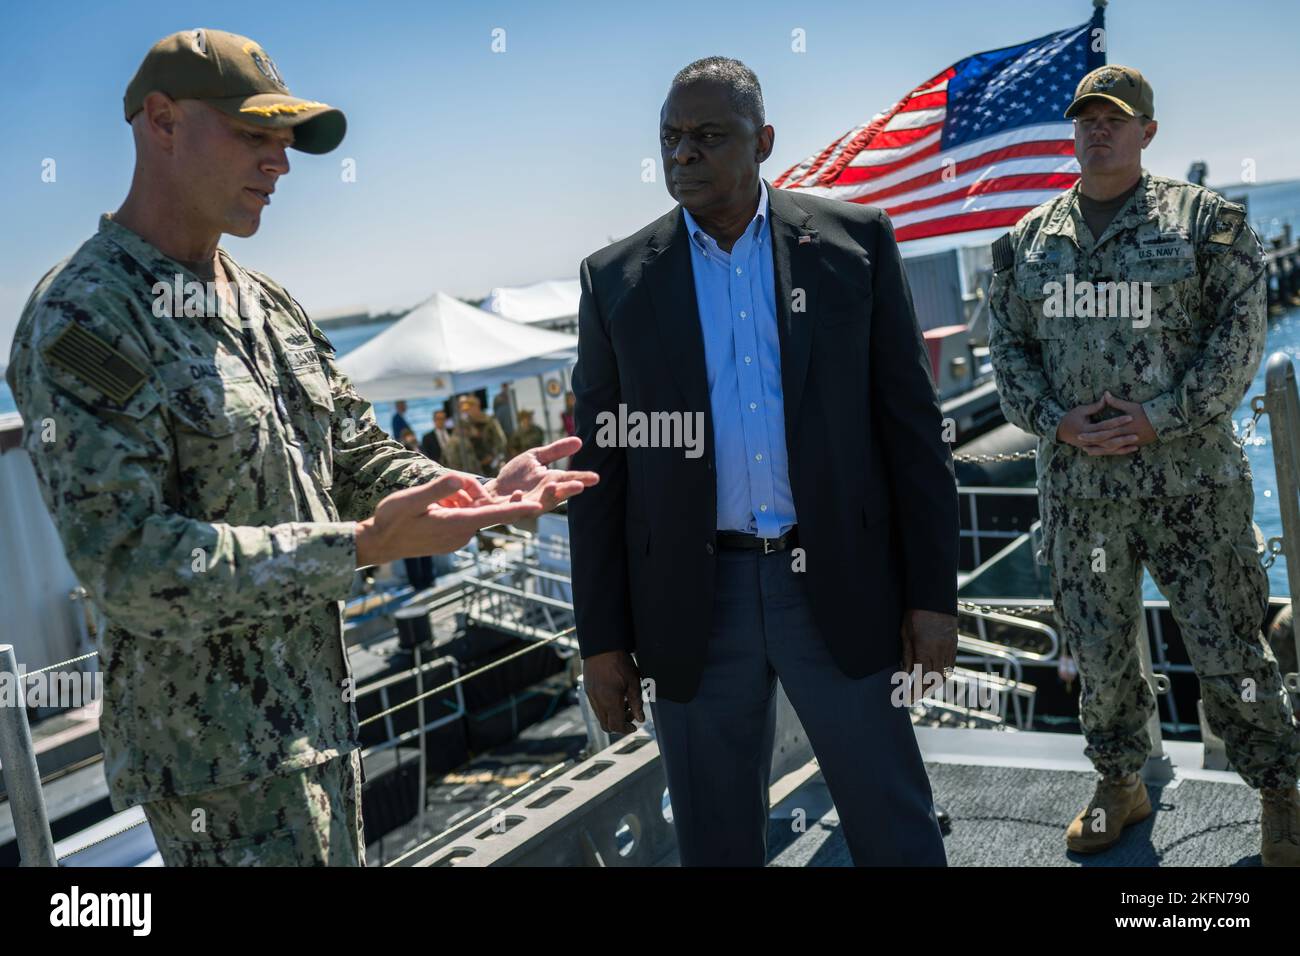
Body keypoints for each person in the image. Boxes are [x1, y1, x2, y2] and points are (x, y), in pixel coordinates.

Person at [4, 28, 597, 867]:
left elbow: (353, 451)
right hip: (213, 770)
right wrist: (360, 548)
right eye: (254, 135)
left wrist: (466, 491)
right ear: (162, 121)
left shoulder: (266, 301)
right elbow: (130, 568)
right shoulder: (84, 315)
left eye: (285, 142)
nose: (280, 163)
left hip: (319, 725)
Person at [568, 57, 957, 866]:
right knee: (716, 843)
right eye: (671, 138)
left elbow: (912, 433)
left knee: (894, 823)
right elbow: (598, 473)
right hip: (691, 606)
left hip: (842, 587)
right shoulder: (614, 282)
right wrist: (600, 639)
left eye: (709, 136)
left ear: (763, 141)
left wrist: (932, 596)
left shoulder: (855, 245)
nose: (684, 154)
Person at [987, 64, 1300, 865]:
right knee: (1096, 649)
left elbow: (1240, 335)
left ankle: (1281, 792)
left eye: (1115, 118)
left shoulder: (1206, 222)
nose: (1098, 129)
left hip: (1191, 486)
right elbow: (1009, 350)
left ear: (1147, 132)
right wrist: (1057, 421)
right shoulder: (1030, 241)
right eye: (1086, 117)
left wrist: (1159, 418)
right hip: (1082, 492)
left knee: (1231, 647)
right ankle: (1120, 783)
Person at [456, 393, 508, 477]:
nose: (469, 411)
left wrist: (492, 457)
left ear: (477, 406)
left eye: (471, 407)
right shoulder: (465, 425)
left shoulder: (490, 421)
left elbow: (501, 441)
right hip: (473, 468)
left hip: (492, 465)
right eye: (467, 409)